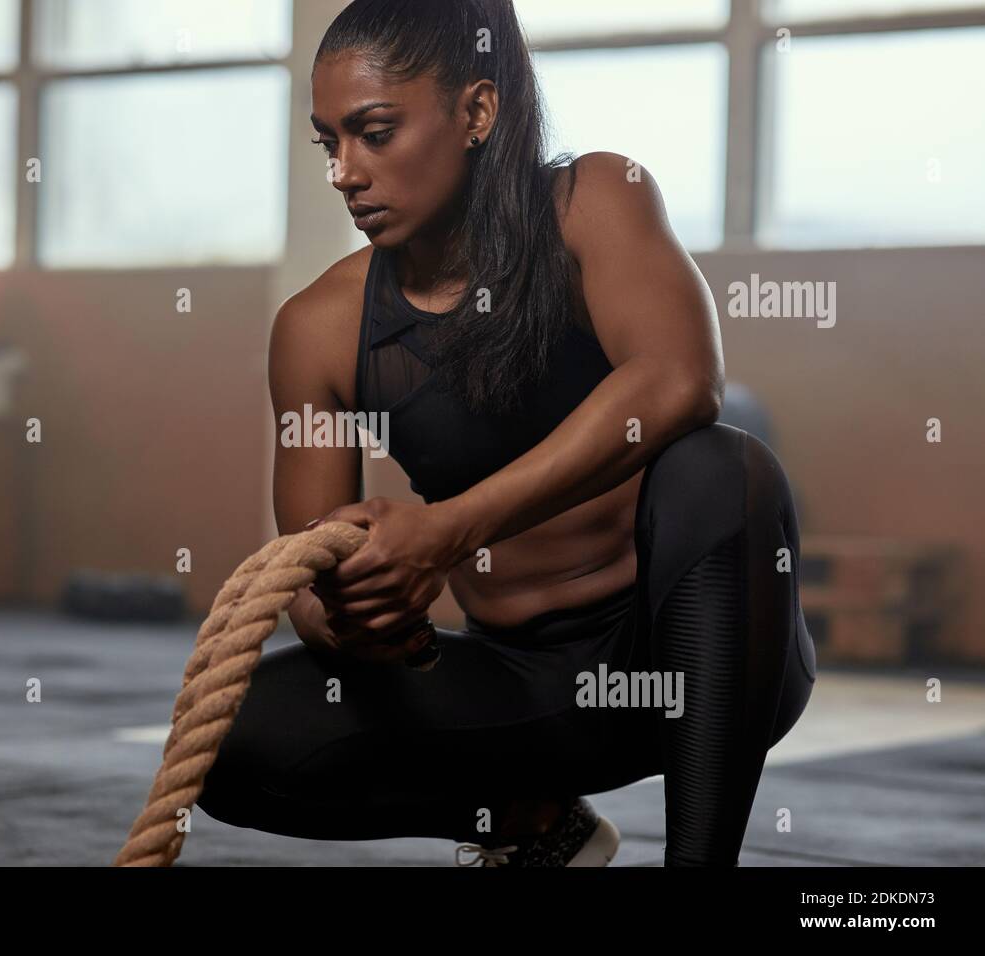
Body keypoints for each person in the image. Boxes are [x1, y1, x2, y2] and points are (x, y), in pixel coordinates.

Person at [195, 0, 816, 867]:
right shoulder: (318, 328)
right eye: (328, 142)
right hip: (522, 693)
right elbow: (305, 582)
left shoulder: (596, 197)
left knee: (722, 469)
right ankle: (537, 825)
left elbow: (679, 381)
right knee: (230, 741)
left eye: (374, 132)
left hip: (701, 663)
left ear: (478, 113)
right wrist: (357, 611)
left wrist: (446, 531)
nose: (345, 172)